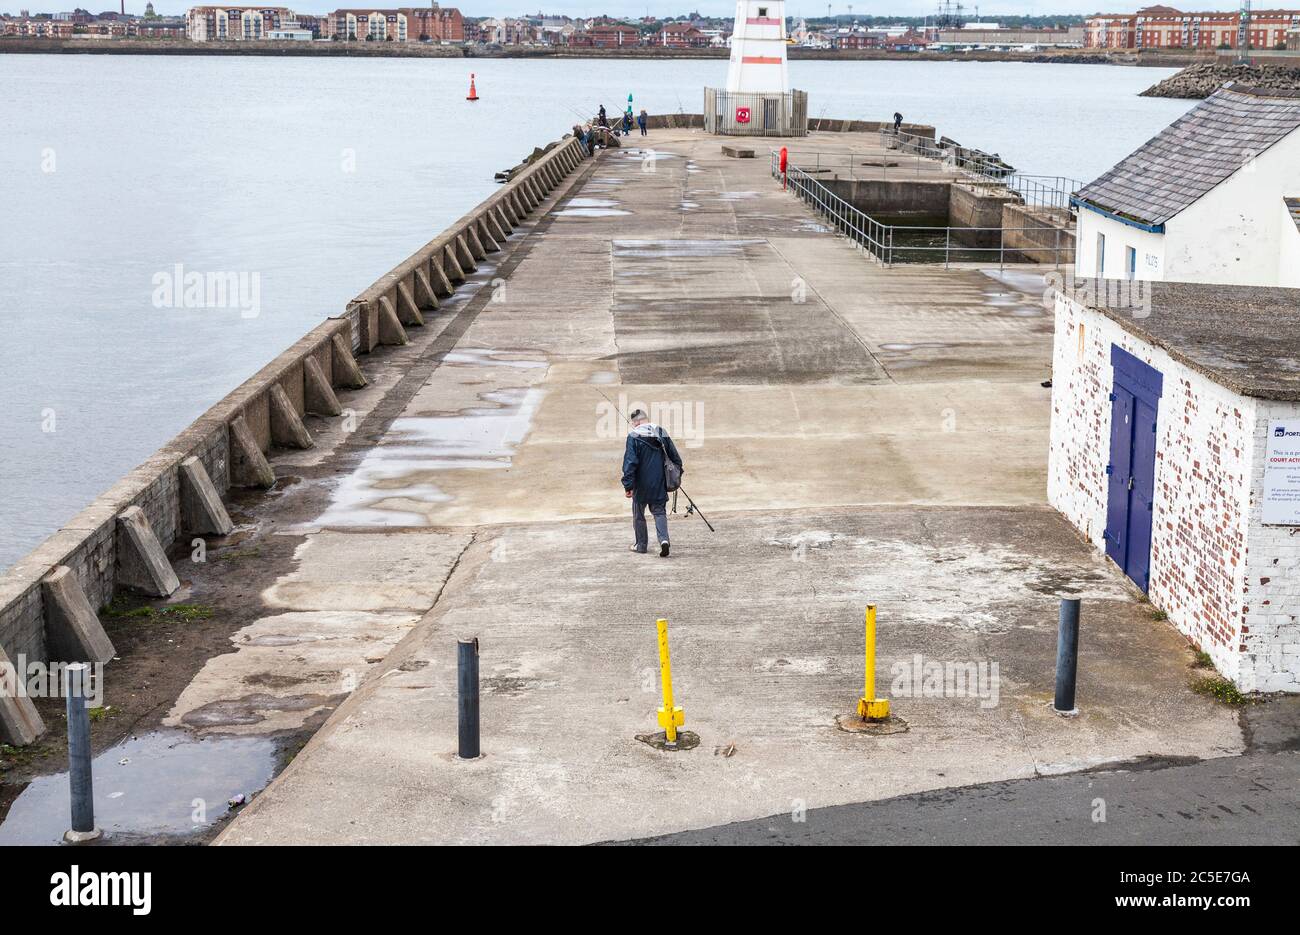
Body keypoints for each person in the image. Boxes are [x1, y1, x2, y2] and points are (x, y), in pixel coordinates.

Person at [621, 409, 684, 557]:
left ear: (635, 422)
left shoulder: (633, 436)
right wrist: (676, 474)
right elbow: (675, 456)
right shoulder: (660, 431)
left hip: (640, 484)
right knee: (659, 512)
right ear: (646, 419)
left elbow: (630, 463)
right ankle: (664, 541)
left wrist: (628, 485)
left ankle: (641, 545)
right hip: (659, 481)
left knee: (638, 514)